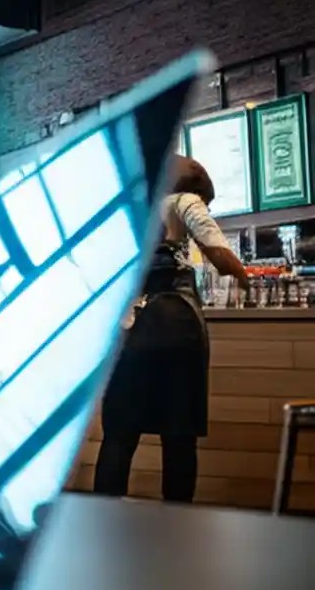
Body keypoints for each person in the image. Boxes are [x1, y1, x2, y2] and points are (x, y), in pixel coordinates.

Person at [95, 155, 250, 503]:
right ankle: (177, 518)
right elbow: (220, 255)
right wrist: (244, 278)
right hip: (178, 325)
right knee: (179, 436)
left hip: (131, 330)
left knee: (119, 434)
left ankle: (102, 515)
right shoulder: (185, 201)